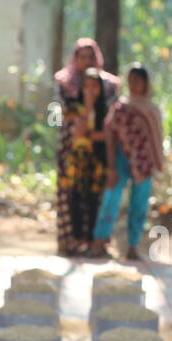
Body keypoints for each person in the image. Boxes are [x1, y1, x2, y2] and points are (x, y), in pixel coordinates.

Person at [54, 39, 119, 255]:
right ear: (75, 58)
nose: (87, 61)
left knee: (96, 198)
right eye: (82, 57)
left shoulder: (109, 85)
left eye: (91, 56)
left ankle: (97, 242)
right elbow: (60, 118)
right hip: (72, 149)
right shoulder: (64, 83)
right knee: (71, 196)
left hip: (100, 151)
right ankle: (70, 242)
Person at [92, 65, 164, 261]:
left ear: (145, 83)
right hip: (120, 159)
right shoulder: (119, 107)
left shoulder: (152, 109)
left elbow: (155, 138)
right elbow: (110, 136)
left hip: (143, 162)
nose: (134, 85)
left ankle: (133, 246)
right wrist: (111, 165)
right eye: (131, 80)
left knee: (139, 205)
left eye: (138, 81)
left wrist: (156, 163)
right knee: (111, 199)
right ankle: (100, 241)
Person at [58, 69, 110, 256]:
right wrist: (87, 106)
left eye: (94, 86)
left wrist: (94, 135)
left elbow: (108, 135)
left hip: (97, 163)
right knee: (76, 200)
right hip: (78, 162)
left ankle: (93, 242)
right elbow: (77, 133)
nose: (91, 90)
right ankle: (77, 241)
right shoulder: (74, 108)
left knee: (94, 202)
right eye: (86, 86)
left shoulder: (106, 109)